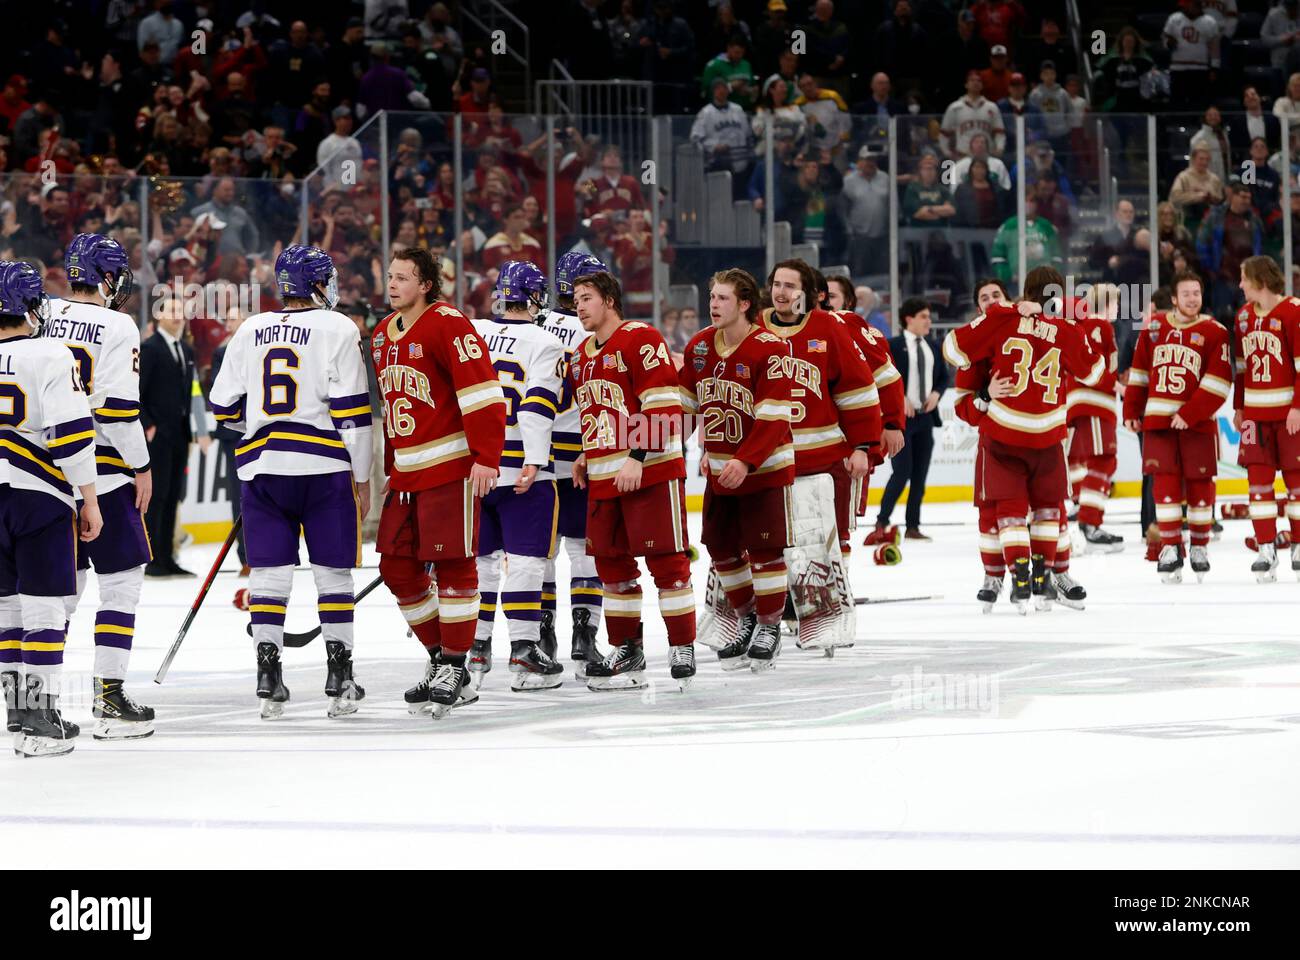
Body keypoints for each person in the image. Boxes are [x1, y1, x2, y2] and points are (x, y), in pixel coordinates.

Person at [209, 245, 373, 720]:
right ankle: (340, 676)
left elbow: (223, 406)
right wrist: (361, 477)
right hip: (324, 471)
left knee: (268, 577)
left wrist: (263, 425)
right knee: (333, 576)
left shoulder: (252, 327)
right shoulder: (340, 327)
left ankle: (268, 676)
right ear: (318, 284)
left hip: (264, 471)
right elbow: (353, 414)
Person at [373, 248, 506, 718]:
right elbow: (392, 412)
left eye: (403, 277)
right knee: (396, 568)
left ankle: (455, 663)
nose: (392, 285)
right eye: (390, 276)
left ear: (426, 283)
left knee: (453, 567)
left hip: (451, 468)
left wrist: (488, 457)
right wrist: (392, 468)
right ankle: (439, 657)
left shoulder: (449, 323)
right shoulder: (381, 336)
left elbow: (483, 393)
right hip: (407, 474)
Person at [943, 265, 1106, 612]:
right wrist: (984, 395)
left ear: (1016, 294)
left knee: (1019, 511)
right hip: (1044, 431)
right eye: (984, 299)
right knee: (1039, 509)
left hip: (1007, 430)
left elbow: (952, 348)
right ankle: (1017, 574)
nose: (991, 302)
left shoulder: (1000, 321)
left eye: (995, 297)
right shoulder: (1064, 328)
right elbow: (1095, 372)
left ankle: (1037, 571)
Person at [42, 235, 155, 739]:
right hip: (103, 471)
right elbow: (118, 410)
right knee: (123, 580)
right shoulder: (118, 323)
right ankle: (109, 698)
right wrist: (143, 466)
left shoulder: (40, 311)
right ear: (106, 276)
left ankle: (35, 703)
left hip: (40, 471)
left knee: (53, 592)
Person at [569, 271, 695, 690]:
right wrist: (589, 451)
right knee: (613, 569)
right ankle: (627, 648)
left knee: (668, 564)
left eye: (586, 297)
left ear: (608, 299)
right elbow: (602, 412)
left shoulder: (642, 337)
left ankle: (681, 646)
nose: (579, 306)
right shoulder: (580, 355)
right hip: (605, 477)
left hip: (650, 470)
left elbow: (662, 401)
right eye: (575, 299)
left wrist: (638, 456)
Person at [0, 261, 103, 758]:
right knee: (43, 606)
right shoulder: (49, 353)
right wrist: (90, 497)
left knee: (5, 608)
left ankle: (18, 712)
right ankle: (41, 720)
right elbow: (71, 435)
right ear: (29, 304)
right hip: (37, 495)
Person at [679, 268, 795, 670]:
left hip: (763, 470)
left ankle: (769, 625)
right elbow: (681, 406)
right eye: (712, 296)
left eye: (723, 298)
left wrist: (746, 460)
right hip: (720, 471)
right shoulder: (698, 347)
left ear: (745, 304)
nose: (714, 304)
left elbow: (775, 417)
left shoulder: (771, 349)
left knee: (764, 550)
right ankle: (747, 618)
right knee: (720, 547)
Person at [467, 261, 567, 692]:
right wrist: (536, 458)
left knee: (482, 562)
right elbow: (535, 406)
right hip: (518, 466)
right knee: (526, 560)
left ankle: (477, 643)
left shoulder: (473, 333)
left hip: (474, 467)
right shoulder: (545, 341)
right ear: (535, 299)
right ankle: (524, 649)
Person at [760, 259, 882, 567]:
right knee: (772, 539)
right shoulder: (754, 326)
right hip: (768, 459)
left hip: (823, 459)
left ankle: (836, 597)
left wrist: (863, 446)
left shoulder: (827, 326)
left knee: (831, 537)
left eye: (790, 286)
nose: (781, 292)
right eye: (777, 285)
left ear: (806, 293)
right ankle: (781, 603)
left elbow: (858, 390)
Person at [1123, 270, 1230, 584]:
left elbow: (1220, 380)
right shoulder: (1154, 328)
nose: (1192, 299)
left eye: (1196, 293)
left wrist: (1192, 412)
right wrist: (1131, 409)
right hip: (1158, 421)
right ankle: (1170, 547)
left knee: (1200, 486)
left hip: (1196, 425)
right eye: (1186, 294)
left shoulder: (1215, 331)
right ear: (1174, 298)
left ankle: (1198, 546)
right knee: (1165, 486)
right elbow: (1139, 372)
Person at [538, 252, 607, 669]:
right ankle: (584, 636)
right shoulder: (594, 332)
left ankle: (542, 635)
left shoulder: (531, 325)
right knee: (584, 550)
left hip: (538, 456)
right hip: (583, 454)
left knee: (539, 555)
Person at [1233, 255, 1300, 582]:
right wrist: (1239, 408)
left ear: (1259, 280)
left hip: (1289, 415)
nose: (1240, 284)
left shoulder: (1293, 312)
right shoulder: (1243, 318)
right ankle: (1265, 548)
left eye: (1244, 278)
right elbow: (1241, 370)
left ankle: (1299, 543)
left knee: (1296, 484)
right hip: (1254, 419)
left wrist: (1298, 408)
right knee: (1258, 485)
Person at [140, 298, 211, 578]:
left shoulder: (185, 349)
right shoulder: (150, 349)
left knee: (172, 497)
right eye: (171, 311)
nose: (177, 316)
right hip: (158, 435)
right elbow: (138, 392)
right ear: (159, 316)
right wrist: (148, 424)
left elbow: (188, 391)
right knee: (156, 497)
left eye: (180, 311)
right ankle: (152, 558)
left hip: (180, 433)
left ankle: (168, 556)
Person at [874, 298, 947, 541]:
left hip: (925, 418)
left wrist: (937, 393)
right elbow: (883, 377)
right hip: (901, 420)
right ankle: (881, 522)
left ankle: (912, 525)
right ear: (909, 319)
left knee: (919, 475)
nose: (929, 321)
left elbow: (943, 377)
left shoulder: (934, 346)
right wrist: (900, 398)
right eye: (924, 316)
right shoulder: (892, 346)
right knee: (902, 471)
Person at [1066, 284, 1123, 552]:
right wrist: (1117, 385)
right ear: (1107, 303)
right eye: (1116, 303)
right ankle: (1089, 523)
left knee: (1074, 458)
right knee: (1103, 460)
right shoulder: (1100, 326)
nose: (1119, 309)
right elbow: (1097, 367)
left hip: (1075, 402)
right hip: (1095, 401)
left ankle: (1079, 505)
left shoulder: (1078, 324)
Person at [208, 306, 249, 573]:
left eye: (238, 318)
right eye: (230, 318)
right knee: (239, 496)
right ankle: (245, 557)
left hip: (257, 431)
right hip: (234, 434)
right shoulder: (222, 352)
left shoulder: (256, 349)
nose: (233, 322)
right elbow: (219, 395)